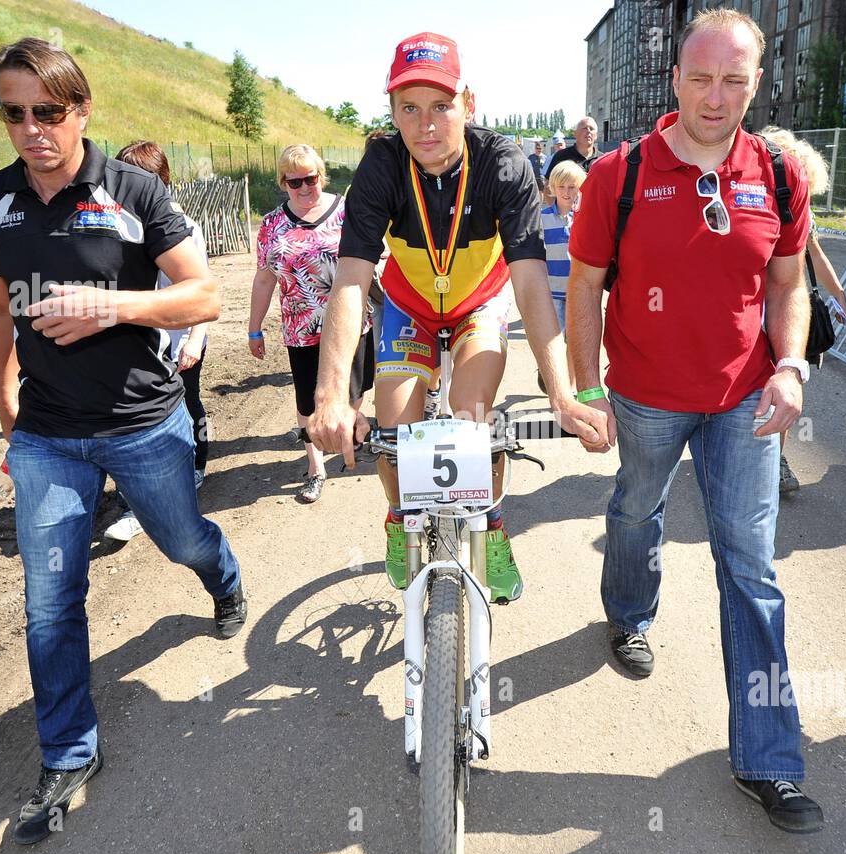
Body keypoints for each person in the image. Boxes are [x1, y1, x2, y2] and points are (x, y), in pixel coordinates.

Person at [0, 38, 245, 845]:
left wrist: (109, 306)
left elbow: (204, 296)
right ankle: (67, 751)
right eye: (13, 113)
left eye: (47, 112)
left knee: (183, 538)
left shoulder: (135, 191)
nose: (31, 129)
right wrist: (1, 389)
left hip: (142, 424)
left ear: (81, 108)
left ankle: (222, 576)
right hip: (48, 434)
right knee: (50, 600)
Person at [566, 8, 824, 833]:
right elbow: (582, 287)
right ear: (676, 80)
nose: (717, 97)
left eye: (735, 80)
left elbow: (788, 286)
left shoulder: (780, 175)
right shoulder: (622, 172)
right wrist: (586, 386)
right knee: (636, 511)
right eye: (702, 78)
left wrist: (790, 365)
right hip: (643, 395)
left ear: (757, 83)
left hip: (745, 400)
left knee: (751, 568)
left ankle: (770, 760)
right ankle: (630, 613)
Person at [307, 31, 599, 603]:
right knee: (393, 433)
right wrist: (330, 394)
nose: (425, 124)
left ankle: (490, 526)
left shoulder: (503, 163)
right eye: (408, 109)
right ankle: (398, 517)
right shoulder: (381, 164)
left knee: (475, 425)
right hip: (409, 308)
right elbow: (349, 280)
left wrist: (562, 393)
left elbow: (532, 283)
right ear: (391, 112)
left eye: (441, 106)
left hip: (478, 306)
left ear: (468, 103)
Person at [250, 144, 373, 504]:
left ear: (322, 175)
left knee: (352, 391)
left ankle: (348, 431)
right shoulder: (272, 224)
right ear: (283, 183)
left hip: (350, 324)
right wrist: (254, 327)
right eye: (295, 182)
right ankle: (315, 467)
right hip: (301, 328)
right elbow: (263, 279)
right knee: (307, 400)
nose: (304, 188)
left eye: (311, 179)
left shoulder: (347, 212)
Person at [105, 140, 212, 540]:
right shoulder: (114, 223)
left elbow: (202, 291)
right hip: (138, 342)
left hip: (180, 338)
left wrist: (194, 340)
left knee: (185, 405)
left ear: (161, 181)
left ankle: (194, 469)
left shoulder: (182, 228)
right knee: (136, 418)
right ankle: (139, 497)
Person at [759, 126, 846, 496]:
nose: (782, 169)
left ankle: (775, 460)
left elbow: (814, 251)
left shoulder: (797, 206)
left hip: (786, 307)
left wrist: (839, 292)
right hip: (749, 308)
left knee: (786, 378)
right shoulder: (744, 197)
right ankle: (738, 451)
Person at [537, 159, 585, 394]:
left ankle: (572, 389)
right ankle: (549, 374)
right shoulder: (541, 218)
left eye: (572, 187)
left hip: (578, 290)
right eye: (561, 187)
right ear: (552, 188)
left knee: (575, 342)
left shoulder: (586, 218)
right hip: (552, 291)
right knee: (553, 341)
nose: (567, 193)